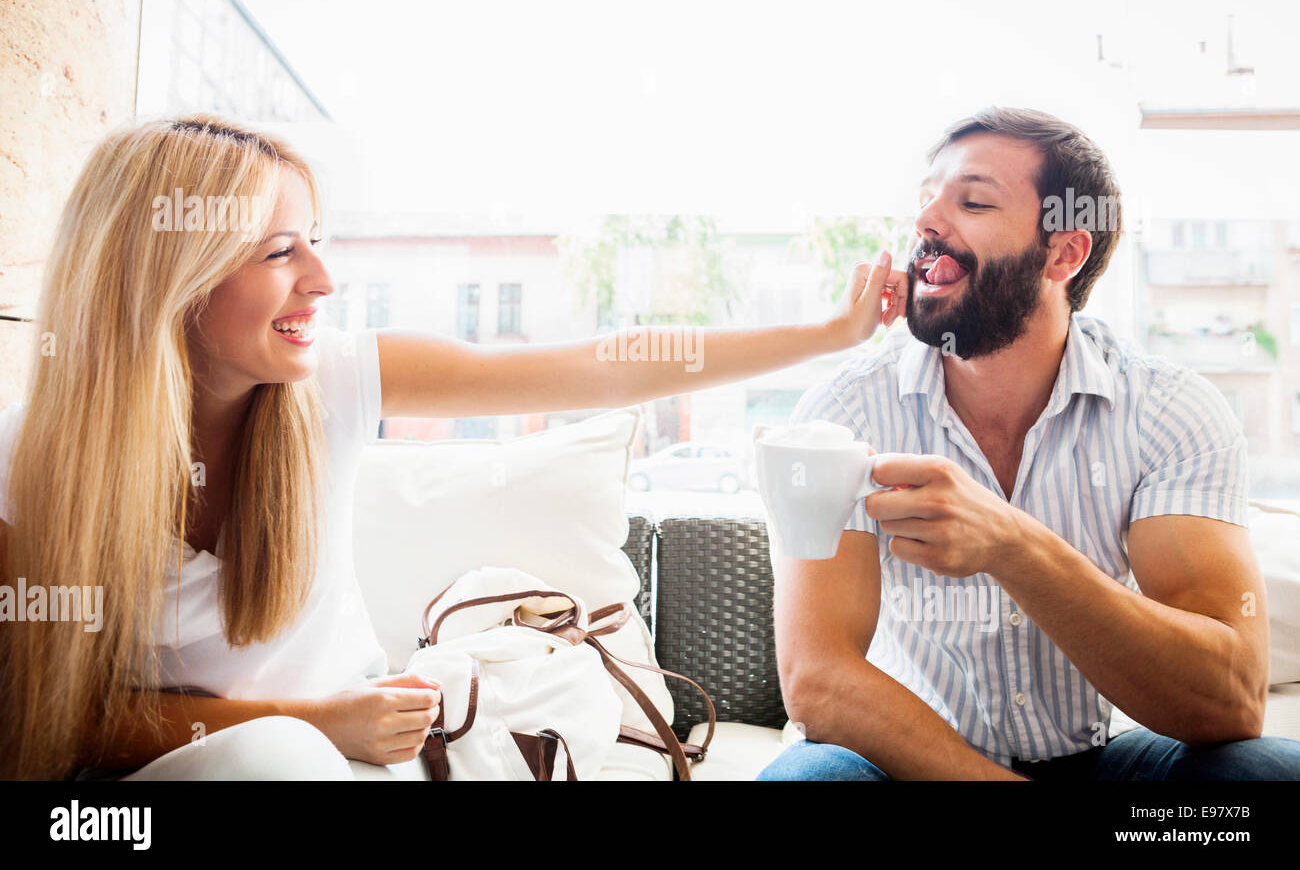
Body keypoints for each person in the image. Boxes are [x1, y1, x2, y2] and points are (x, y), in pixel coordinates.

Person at [0, 114, 908, 781]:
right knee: (271, 757)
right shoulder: (27, 464)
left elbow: (596, 367)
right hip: (198, 780)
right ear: (170, 277)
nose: (323, 279)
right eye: (281, 252)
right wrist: (313, 721)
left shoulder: (335, 385)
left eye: (315, 242)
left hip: (355, 760)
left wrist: (827, 332)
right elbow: (56, 719)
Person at [758, 106, 1300, 781]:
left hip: (1095, 760)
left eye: (974, 200)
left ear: (1064, 253)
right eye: (927, 199)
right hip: (908, 764)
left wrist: (1014, 545)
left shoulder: (1170, 411)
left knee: (1264, 775)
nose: (927, 222)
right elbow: (818, 679)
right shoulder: (844, 412)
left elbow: (1229, 702)